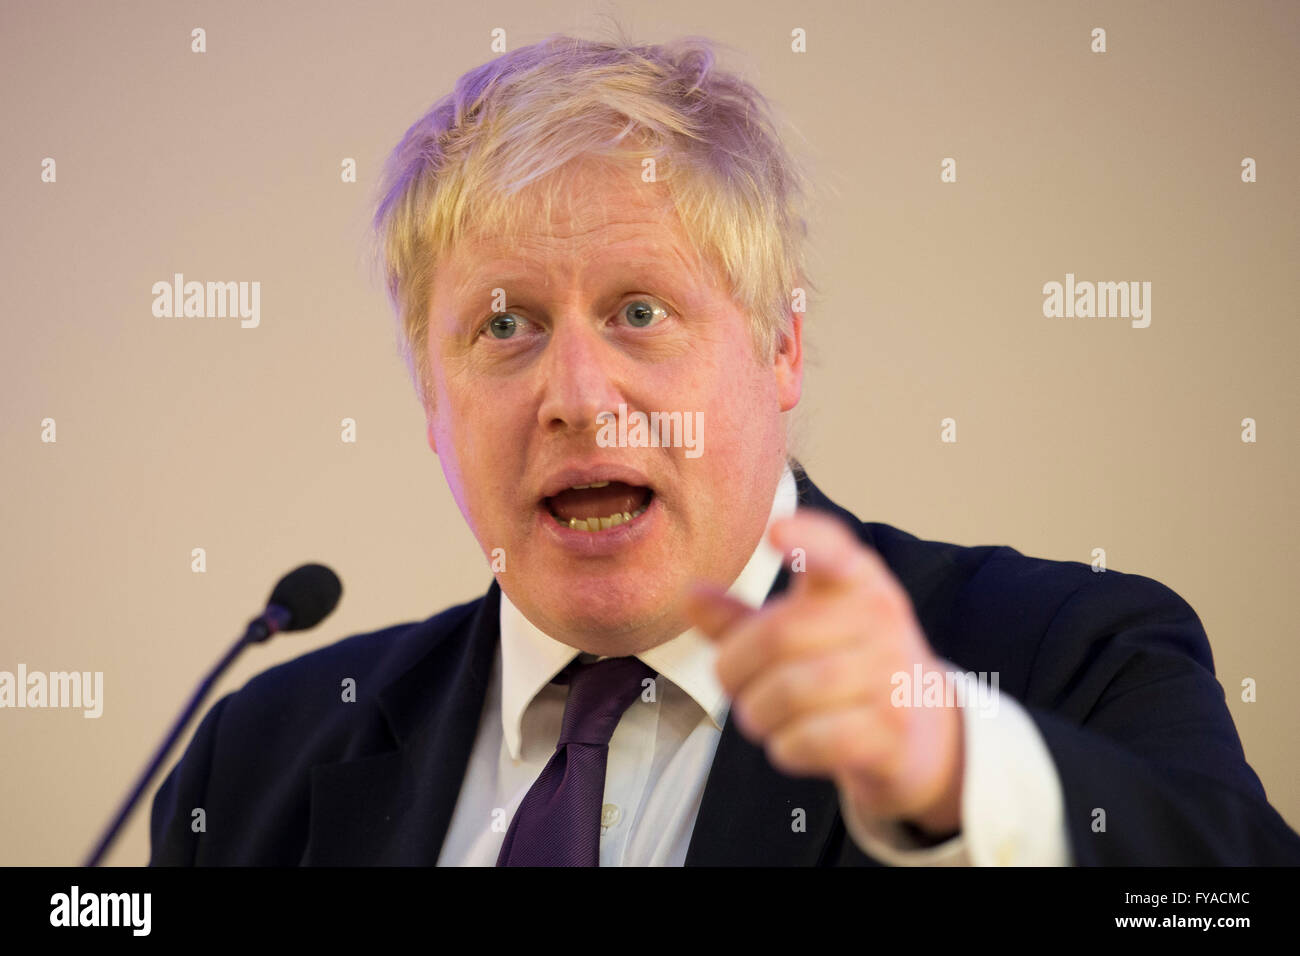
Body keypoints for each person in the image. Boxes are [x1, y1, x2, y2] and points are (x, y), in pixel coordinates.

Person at [150, 32, 1300, 866]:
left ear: (781, 346)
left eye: (640, 311)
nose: (577, 396)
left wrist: (954, 769)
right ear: (428, 394)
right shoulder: (259, 760)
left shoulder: (1061, 654)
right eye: (503, 325)